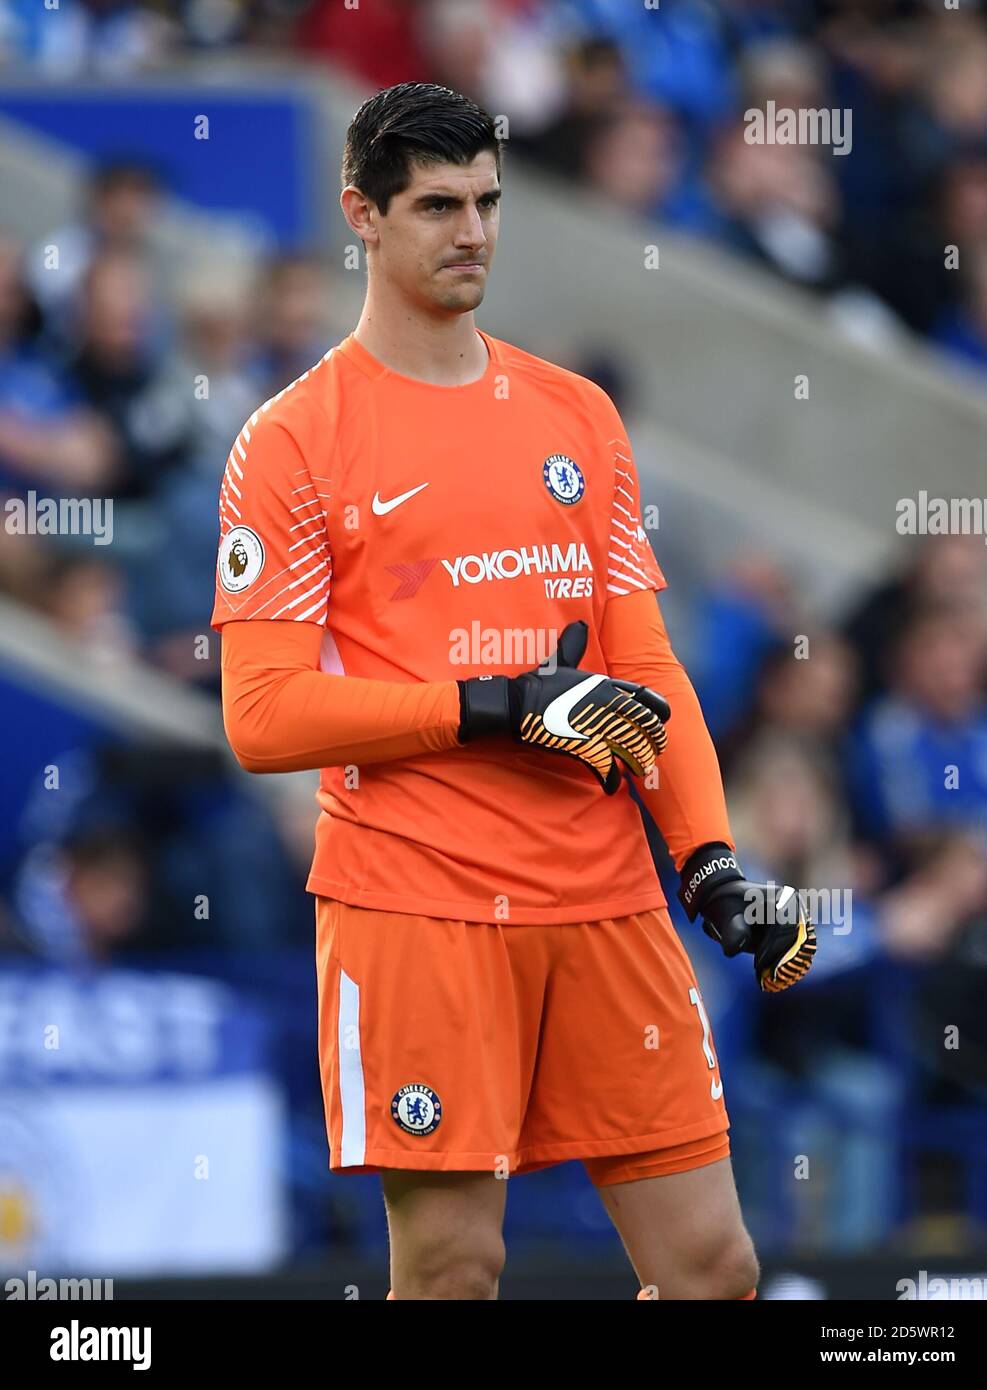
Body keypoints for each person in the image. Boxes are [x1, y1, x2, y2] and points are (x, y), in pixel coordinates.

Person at [210, 82, 814, 1301]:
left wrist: (708, 861)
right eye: (438, 205)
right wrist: (489, 704)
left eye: (487, 201)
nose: (473, 230)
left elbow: (644, 668)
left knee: (713, 1268)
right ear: (362, 217)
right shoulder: (293, 440)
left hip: (603, 896)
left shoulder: (575, 415)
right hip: (416, 900)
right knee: (451, 1270)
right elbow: (261, 716)